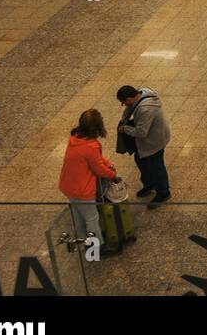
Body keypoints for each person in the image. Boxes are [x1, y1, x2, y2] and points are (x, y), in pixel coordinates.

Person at [59, 108, 119, 250]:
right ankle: (97, 247)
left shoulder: (75, 140)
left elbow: (94, 159)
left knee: (79, 216)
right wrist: (113, 175)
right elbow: (97, 168)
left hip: (68, 185)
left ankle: (82, 241)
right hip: (83, 189)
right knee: (92, 218)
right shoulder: (91, 146)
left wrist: (107, 163)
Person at [116, 86, 172, 207]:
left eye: (124, 102)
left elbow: (141, 132)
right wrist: (124, 118)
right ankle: (150, 184)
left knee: (156, 167)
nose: (124, 105)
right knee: (141, 160)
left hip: (154, 142)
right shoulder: (142, 93)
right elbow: (130, 108)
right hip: (148, 140)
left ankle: (163, 192)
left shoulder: (145, 109)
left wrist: (124, 128)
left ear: (130, 97)